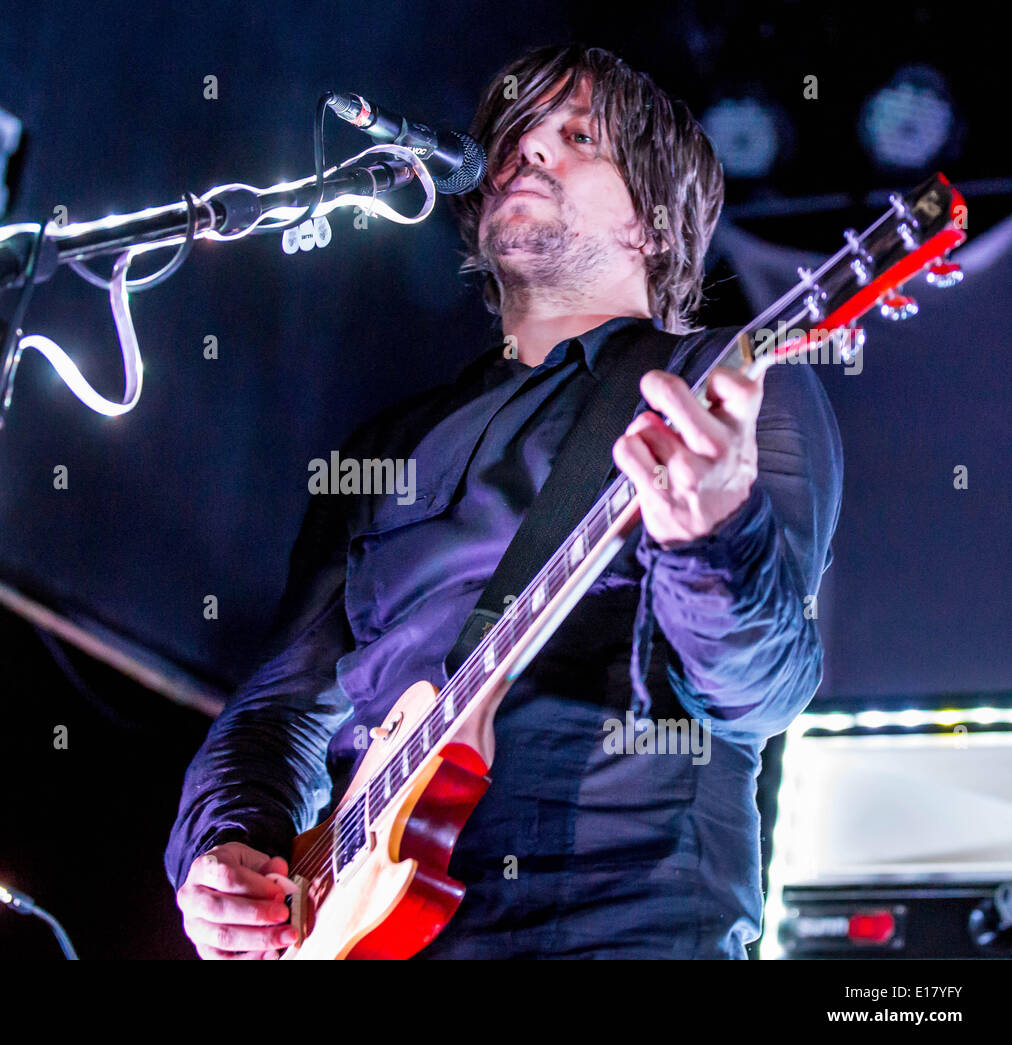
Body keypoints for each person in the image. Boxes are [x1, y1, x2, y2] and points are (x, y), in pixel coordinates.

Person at [165, 42, 843, 959]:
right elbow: (279, 710)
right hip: (366, 917)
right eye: (518, 135)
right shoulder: (390, 442)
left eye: (576, 137)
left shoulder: (720, 387)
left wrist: (711, 537)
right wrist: (227, 850)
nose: (529, 151)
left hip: (616, 919)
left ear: (652, 220)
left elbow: (762, 691)